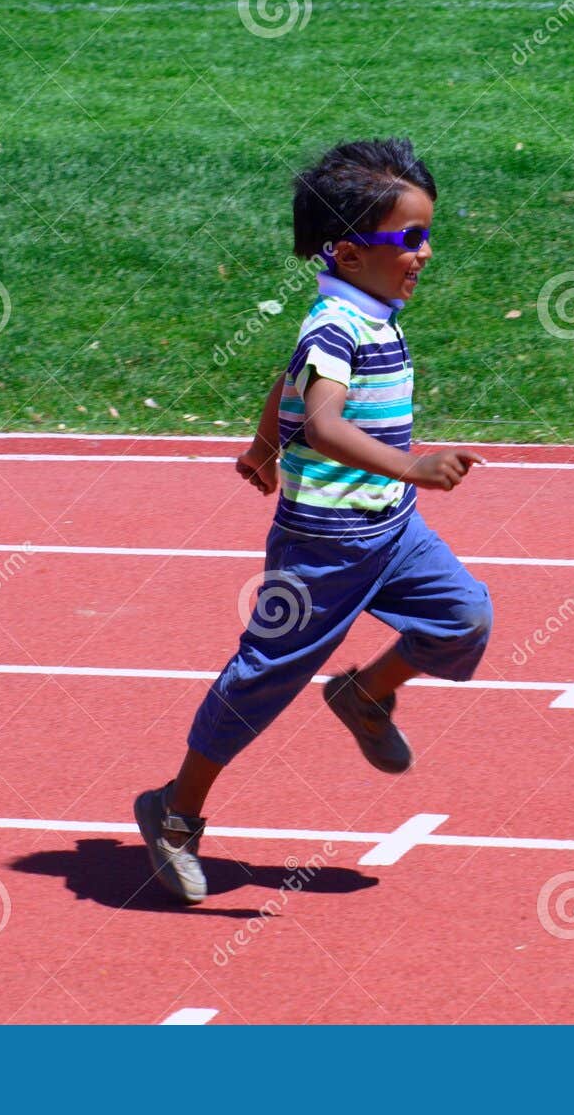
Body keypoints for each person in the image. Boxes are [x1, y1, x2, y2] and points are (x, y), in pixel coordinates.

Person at [134, 137, 494, 904]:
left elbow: (287, 386)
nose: (425, 253)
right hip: (321, 548)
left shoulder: (374, 312)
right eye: (410, 239)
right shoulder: (335, 325)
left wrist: (264, 444)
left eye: (429, 235)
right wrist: (415, 466)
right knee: (260, 682)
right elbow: (325, 422)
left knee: (464, 616)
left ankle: (363, 694)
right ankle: (174, 811)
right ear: (348, 251)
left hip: (392, 533)